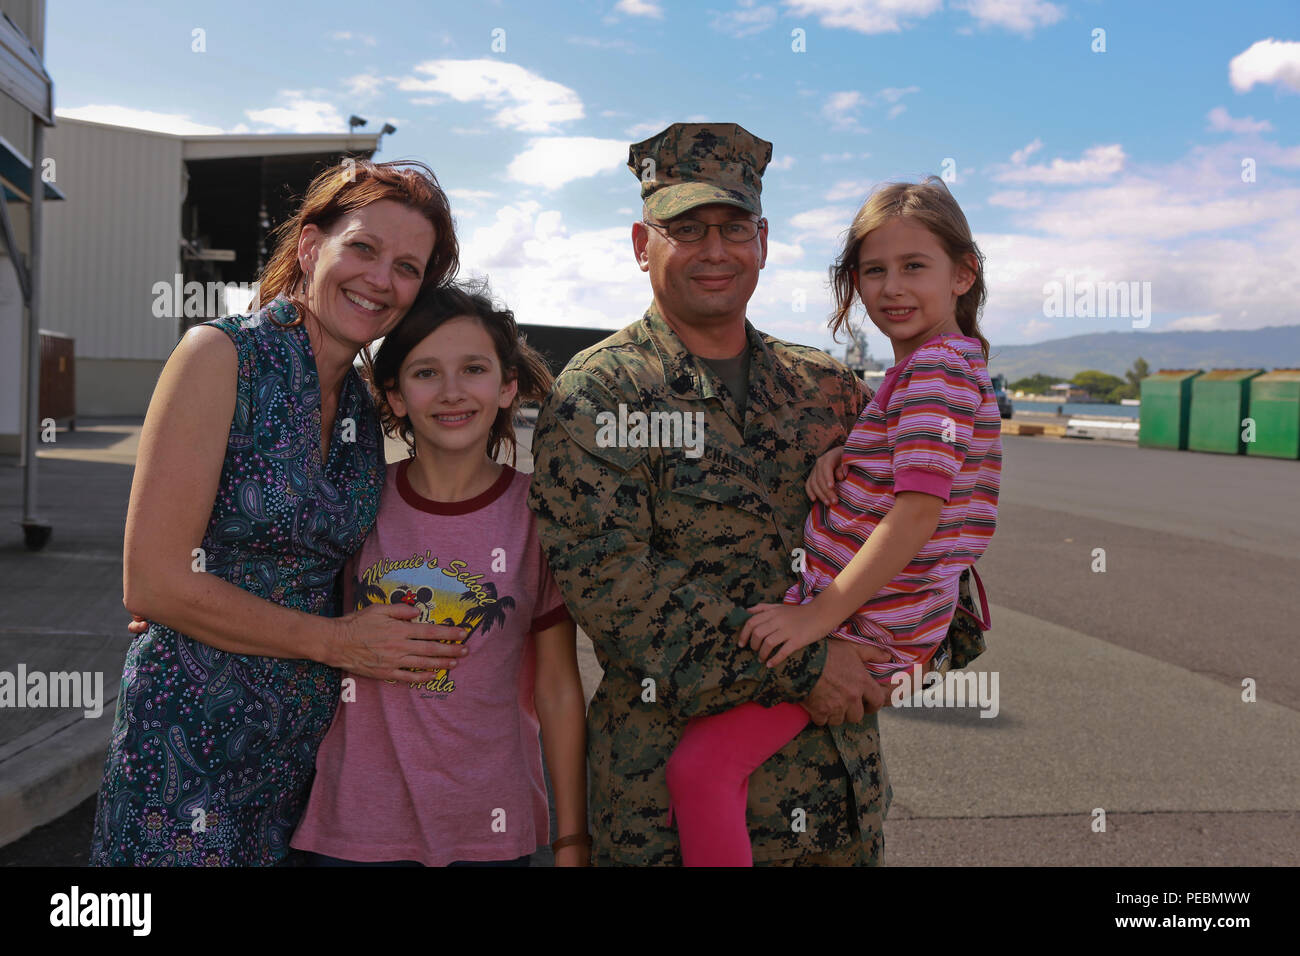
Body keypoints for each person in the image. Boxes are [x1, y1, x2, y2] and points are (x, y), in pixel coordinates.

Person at [528, 122, 963, 866]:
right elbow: (616, 588)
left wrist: (910, 657)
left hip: (837, 805)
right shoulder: (601, 394)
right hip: (668, 819)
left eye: (734, 228)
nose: (716, 250)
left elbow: (930, 535)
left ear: (762, 240)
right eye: (686, 228)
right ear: (642, 244)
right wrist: (811, 667)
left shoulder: (828, 388)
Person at [90, 160, 472, 867]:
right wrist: (335, 642)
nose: (381, 279)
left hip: (300, 758)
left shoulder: (364, 405)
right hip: (188, 744)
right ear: (309, 248)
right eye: (362, 248)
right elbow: (151, 582)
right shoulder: (221, 355)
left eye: (408, 266)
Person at [668, 176, 1003, 865]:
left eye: (915, 266)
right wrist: (850, 451)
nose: (891, 288)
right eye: (872, 271)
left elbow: (915, 514)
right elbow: (916, 462)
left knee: (701, 772)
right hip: (886, 620)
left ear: (964, 273)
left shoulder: (936, 370)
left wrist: (814, 620)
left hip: (863, 625)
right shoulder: (937, 369)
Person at [290, 283, 587, 867]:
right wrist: (191, 606)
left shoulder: (540, 518)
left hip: (488, 829)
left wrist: (572, 836)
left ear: (507, 387)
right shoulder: (354, 503)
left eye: (473, 369)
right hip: (354, 831)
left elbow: (556, 688)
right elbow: (280, 591)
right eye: (426, 373)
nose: (452, 392)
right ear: (395, 396)